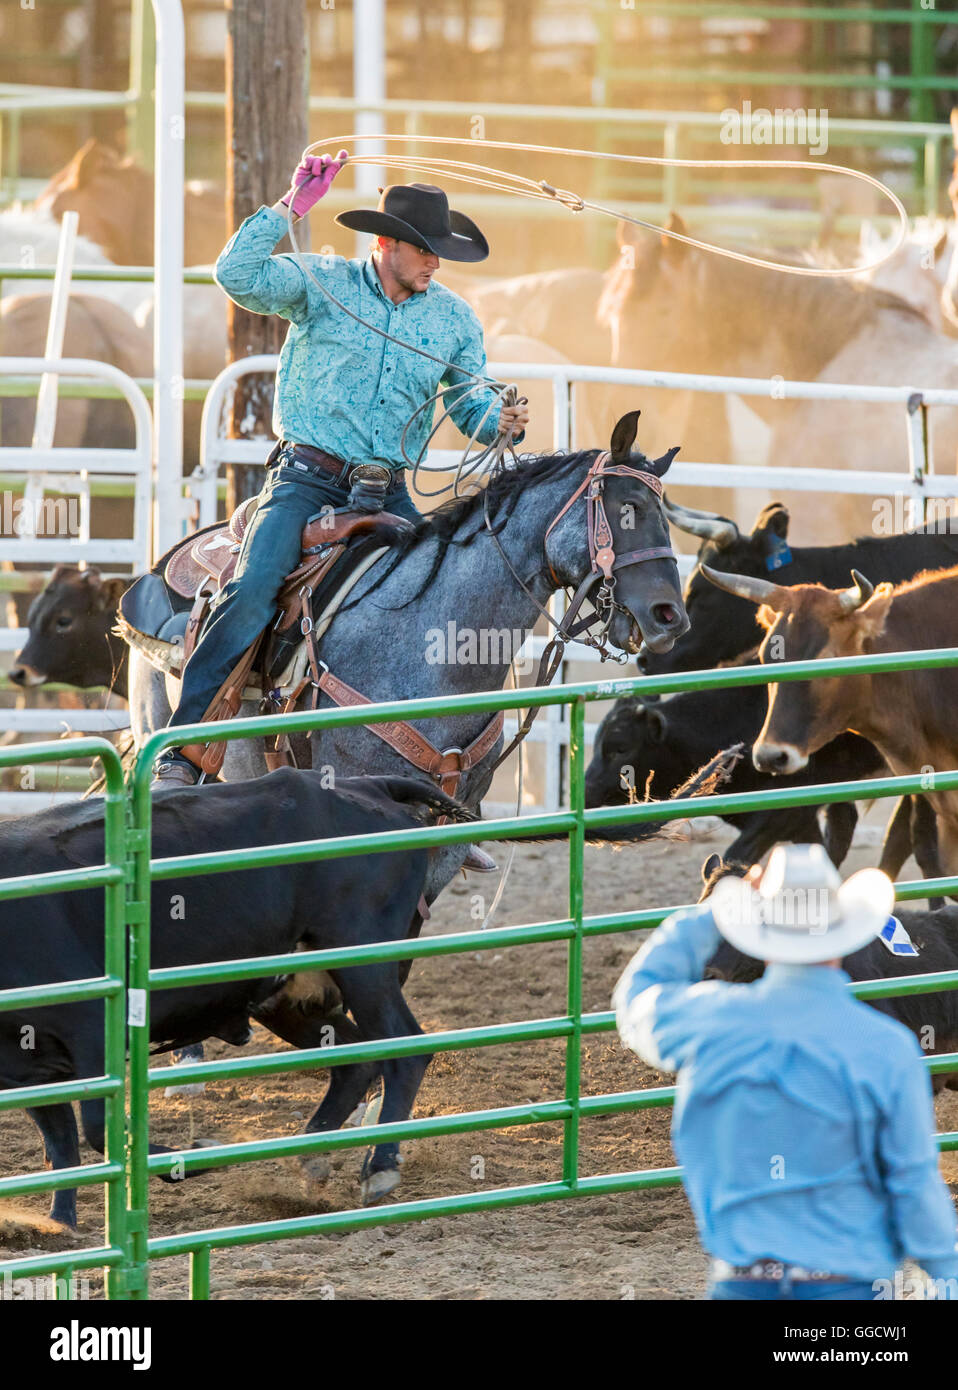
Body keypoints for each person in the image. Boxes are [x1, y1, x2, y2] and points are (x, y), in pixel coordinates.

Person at [153, 150, 529, 788]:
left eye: (440, 251)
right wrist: (290, 208)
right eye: (425, 250)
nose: (436, 262)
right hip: (306, 480)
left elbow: (469, 405)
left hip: (394, 491)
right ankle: (184, 750)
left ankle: (438, 781)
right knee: (251, 592)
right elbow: (237, 274)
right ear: (386, 243)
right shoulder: (319, 282)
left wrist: (500, 421)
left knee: (443, 603)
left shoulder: (454, 320)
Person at [613, 844, 958, 1300]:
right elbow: (913, 1184)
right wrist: (948, 1275)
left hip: (744, 1280)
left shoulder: (707, 1023)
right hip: (851, 1282)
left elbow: (638, 996)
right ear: (843, 934)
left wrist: (716, 910)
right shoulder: (886, 1048)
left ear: (756, 936)